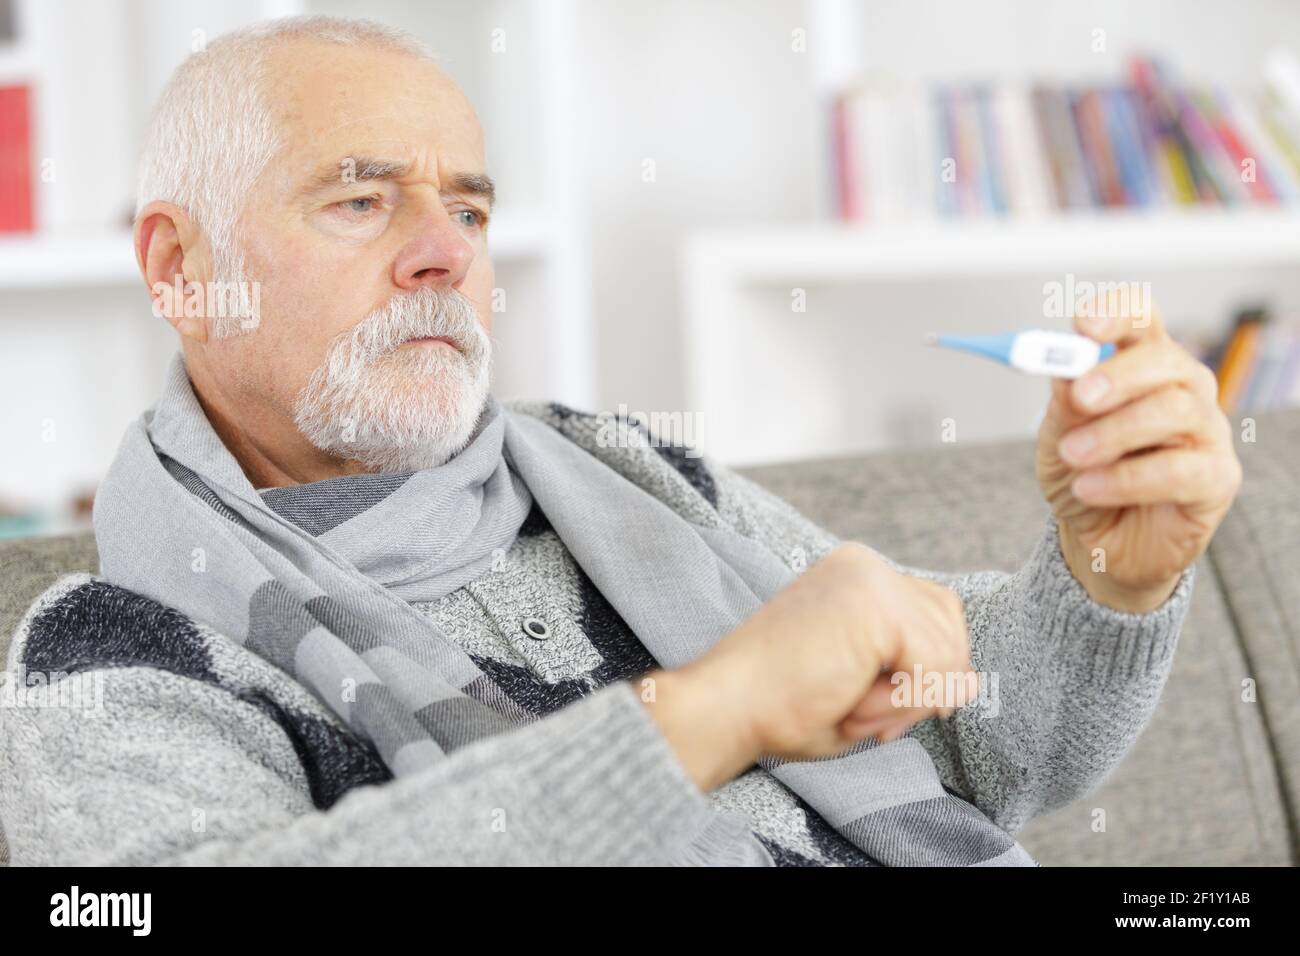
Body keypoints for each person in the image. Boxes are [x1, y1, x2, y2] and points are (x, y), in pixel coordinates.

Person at [0, 16, 1239, 866]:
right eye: (361, 197)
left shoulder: (615, 468)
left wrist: (1104, 579)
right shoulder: (115, 652)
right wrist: (714, 710)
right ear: (179, 264)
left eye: (470, 207)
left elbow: (976, 736)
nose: (445, 250)